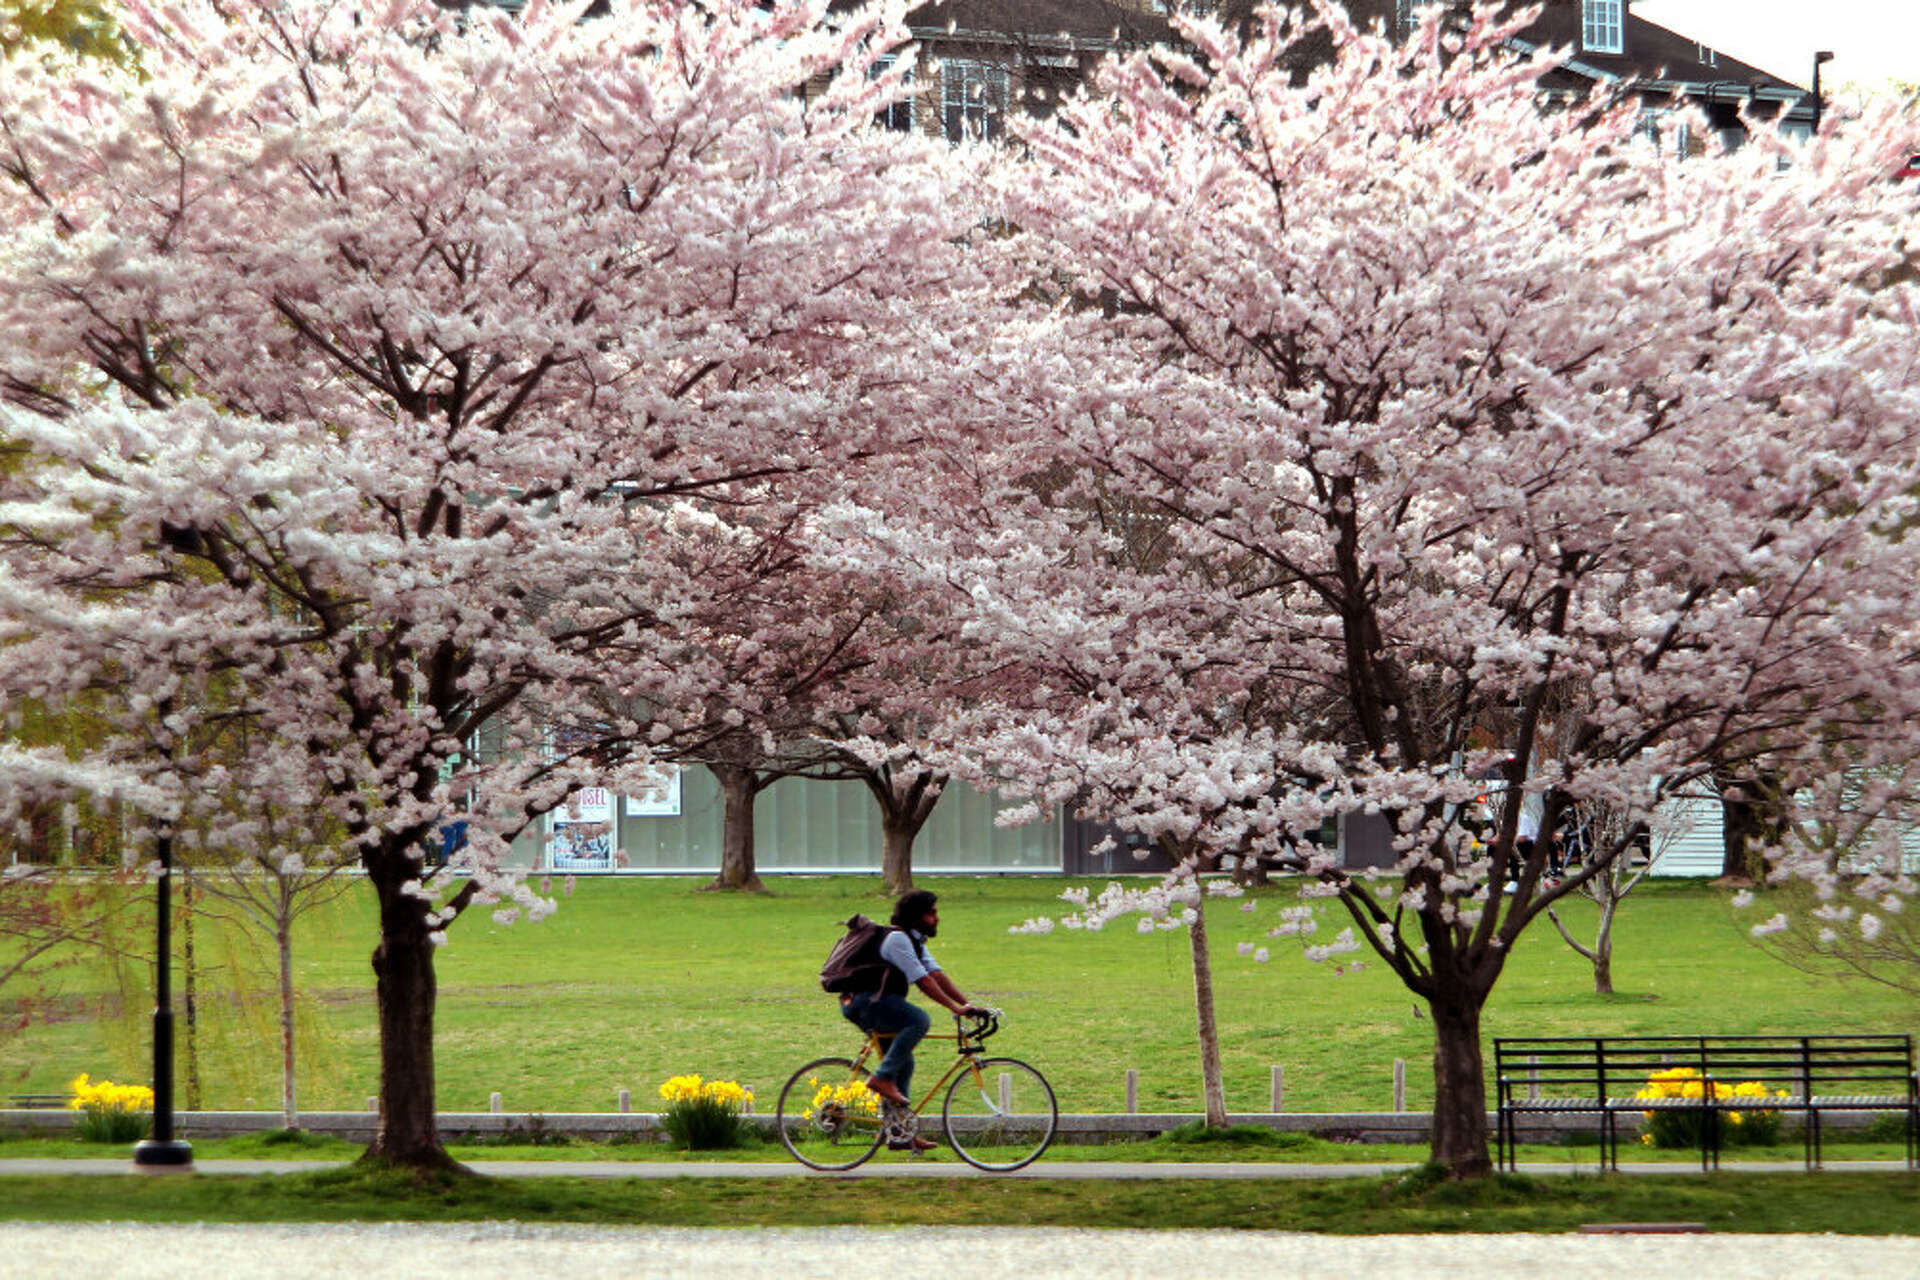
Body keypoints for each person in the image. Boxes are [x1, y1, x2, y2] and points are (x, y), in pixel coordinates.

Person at [839, 888, 980, 1152]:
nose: (937, 918)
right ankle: (881, 1078)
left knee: (904, 1061)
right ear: (917, 916)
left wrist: (966, 1005)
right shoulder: (897, 940)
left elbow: (937, 975)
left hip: (879, 1003)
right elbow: (923, 981)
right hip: (866, 1002)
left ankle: (899, 1132)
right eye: (932, 913)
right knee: (919, 1020)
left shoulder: (915, 940)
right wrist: (953, 1008)